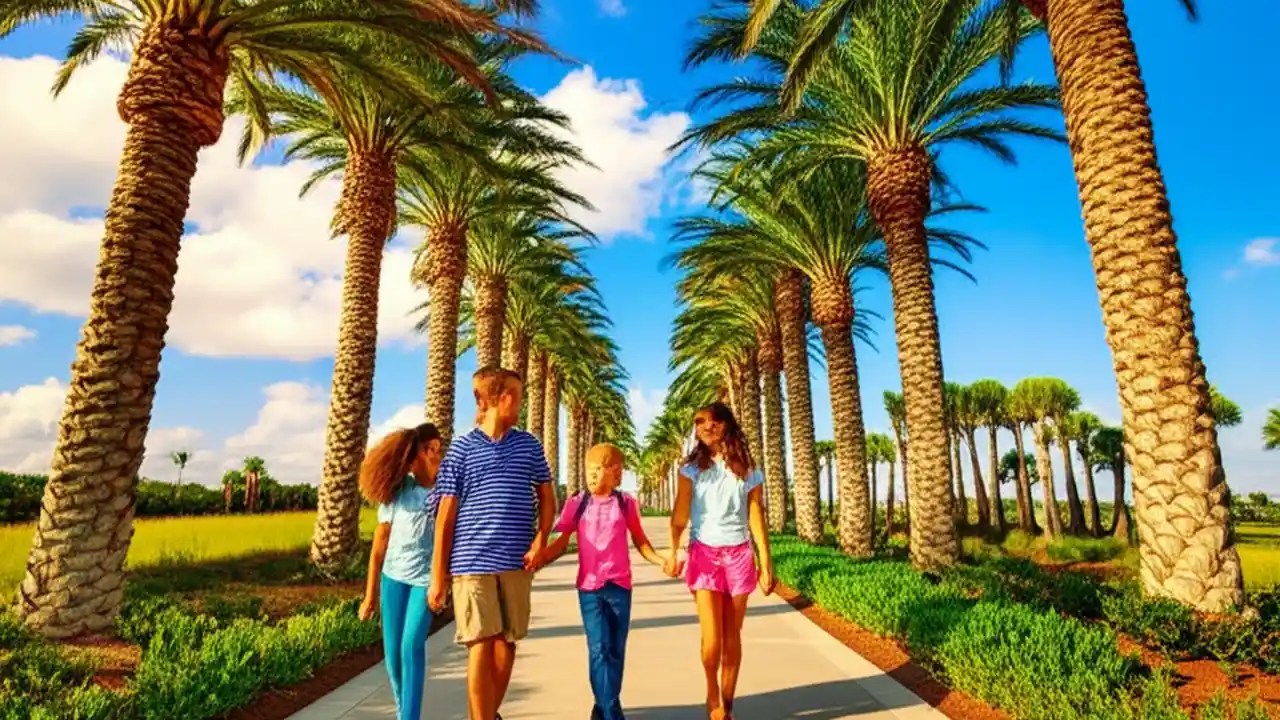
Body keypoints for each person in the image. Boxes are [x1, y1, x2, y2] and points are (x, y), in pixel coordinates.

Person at [428, 365, 556, 720]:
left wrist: (540, 540)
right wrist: (438, 577)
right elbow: (444, 517)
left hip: (516, 562)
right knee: (480, 645)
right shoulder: (461, 450)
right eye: (518, 396)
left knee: (506, 647)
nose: (521, 403)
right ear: (504, 398)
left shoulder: (529, 446)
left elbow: (547, 497)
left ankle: (486, 714)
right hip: (471, 564)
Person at [535, 443, 664, 720]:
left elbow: (641, 541)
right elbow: (561, 543)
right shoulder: (577, 503)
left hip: (620, 588)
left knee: (615, 650)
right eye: (589, 469)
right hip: (589, 589)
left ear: (616, 472)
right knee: (599, 649)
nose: (592, 475)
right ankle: (611, 711)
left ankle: (602, 705)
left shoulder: (625, 503)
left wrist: (661, 560)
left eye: (599, 469)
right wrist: (538, 558)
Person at [666, 402, 775, 720]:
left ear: (727, 425)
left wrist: (766, 561)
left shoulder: (748, 470)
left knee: (732, 636)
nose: (706, 426)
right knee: (712, 639)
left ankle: (726, 705)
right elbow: (680, 514)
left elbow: (755, 514)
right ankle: (711, 690)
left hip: (739, 555)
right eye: (699, 422)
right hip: (704, 554)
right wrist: (674, 550)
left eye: (713, 421)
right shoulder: (691, 470)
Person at [357, 423, 444, 720]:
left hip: (424, 582)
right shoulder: (398, 493)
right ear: (413, 456)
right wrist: (370, 596)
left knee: (411, 646)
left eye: (438, 449)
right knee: (393, 660)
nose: (435, 454)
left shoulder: (445, 493)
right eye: (428, 449)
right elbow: (378, 549)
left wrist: (443, 581)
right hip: (393, 580)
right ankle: (402, 712)